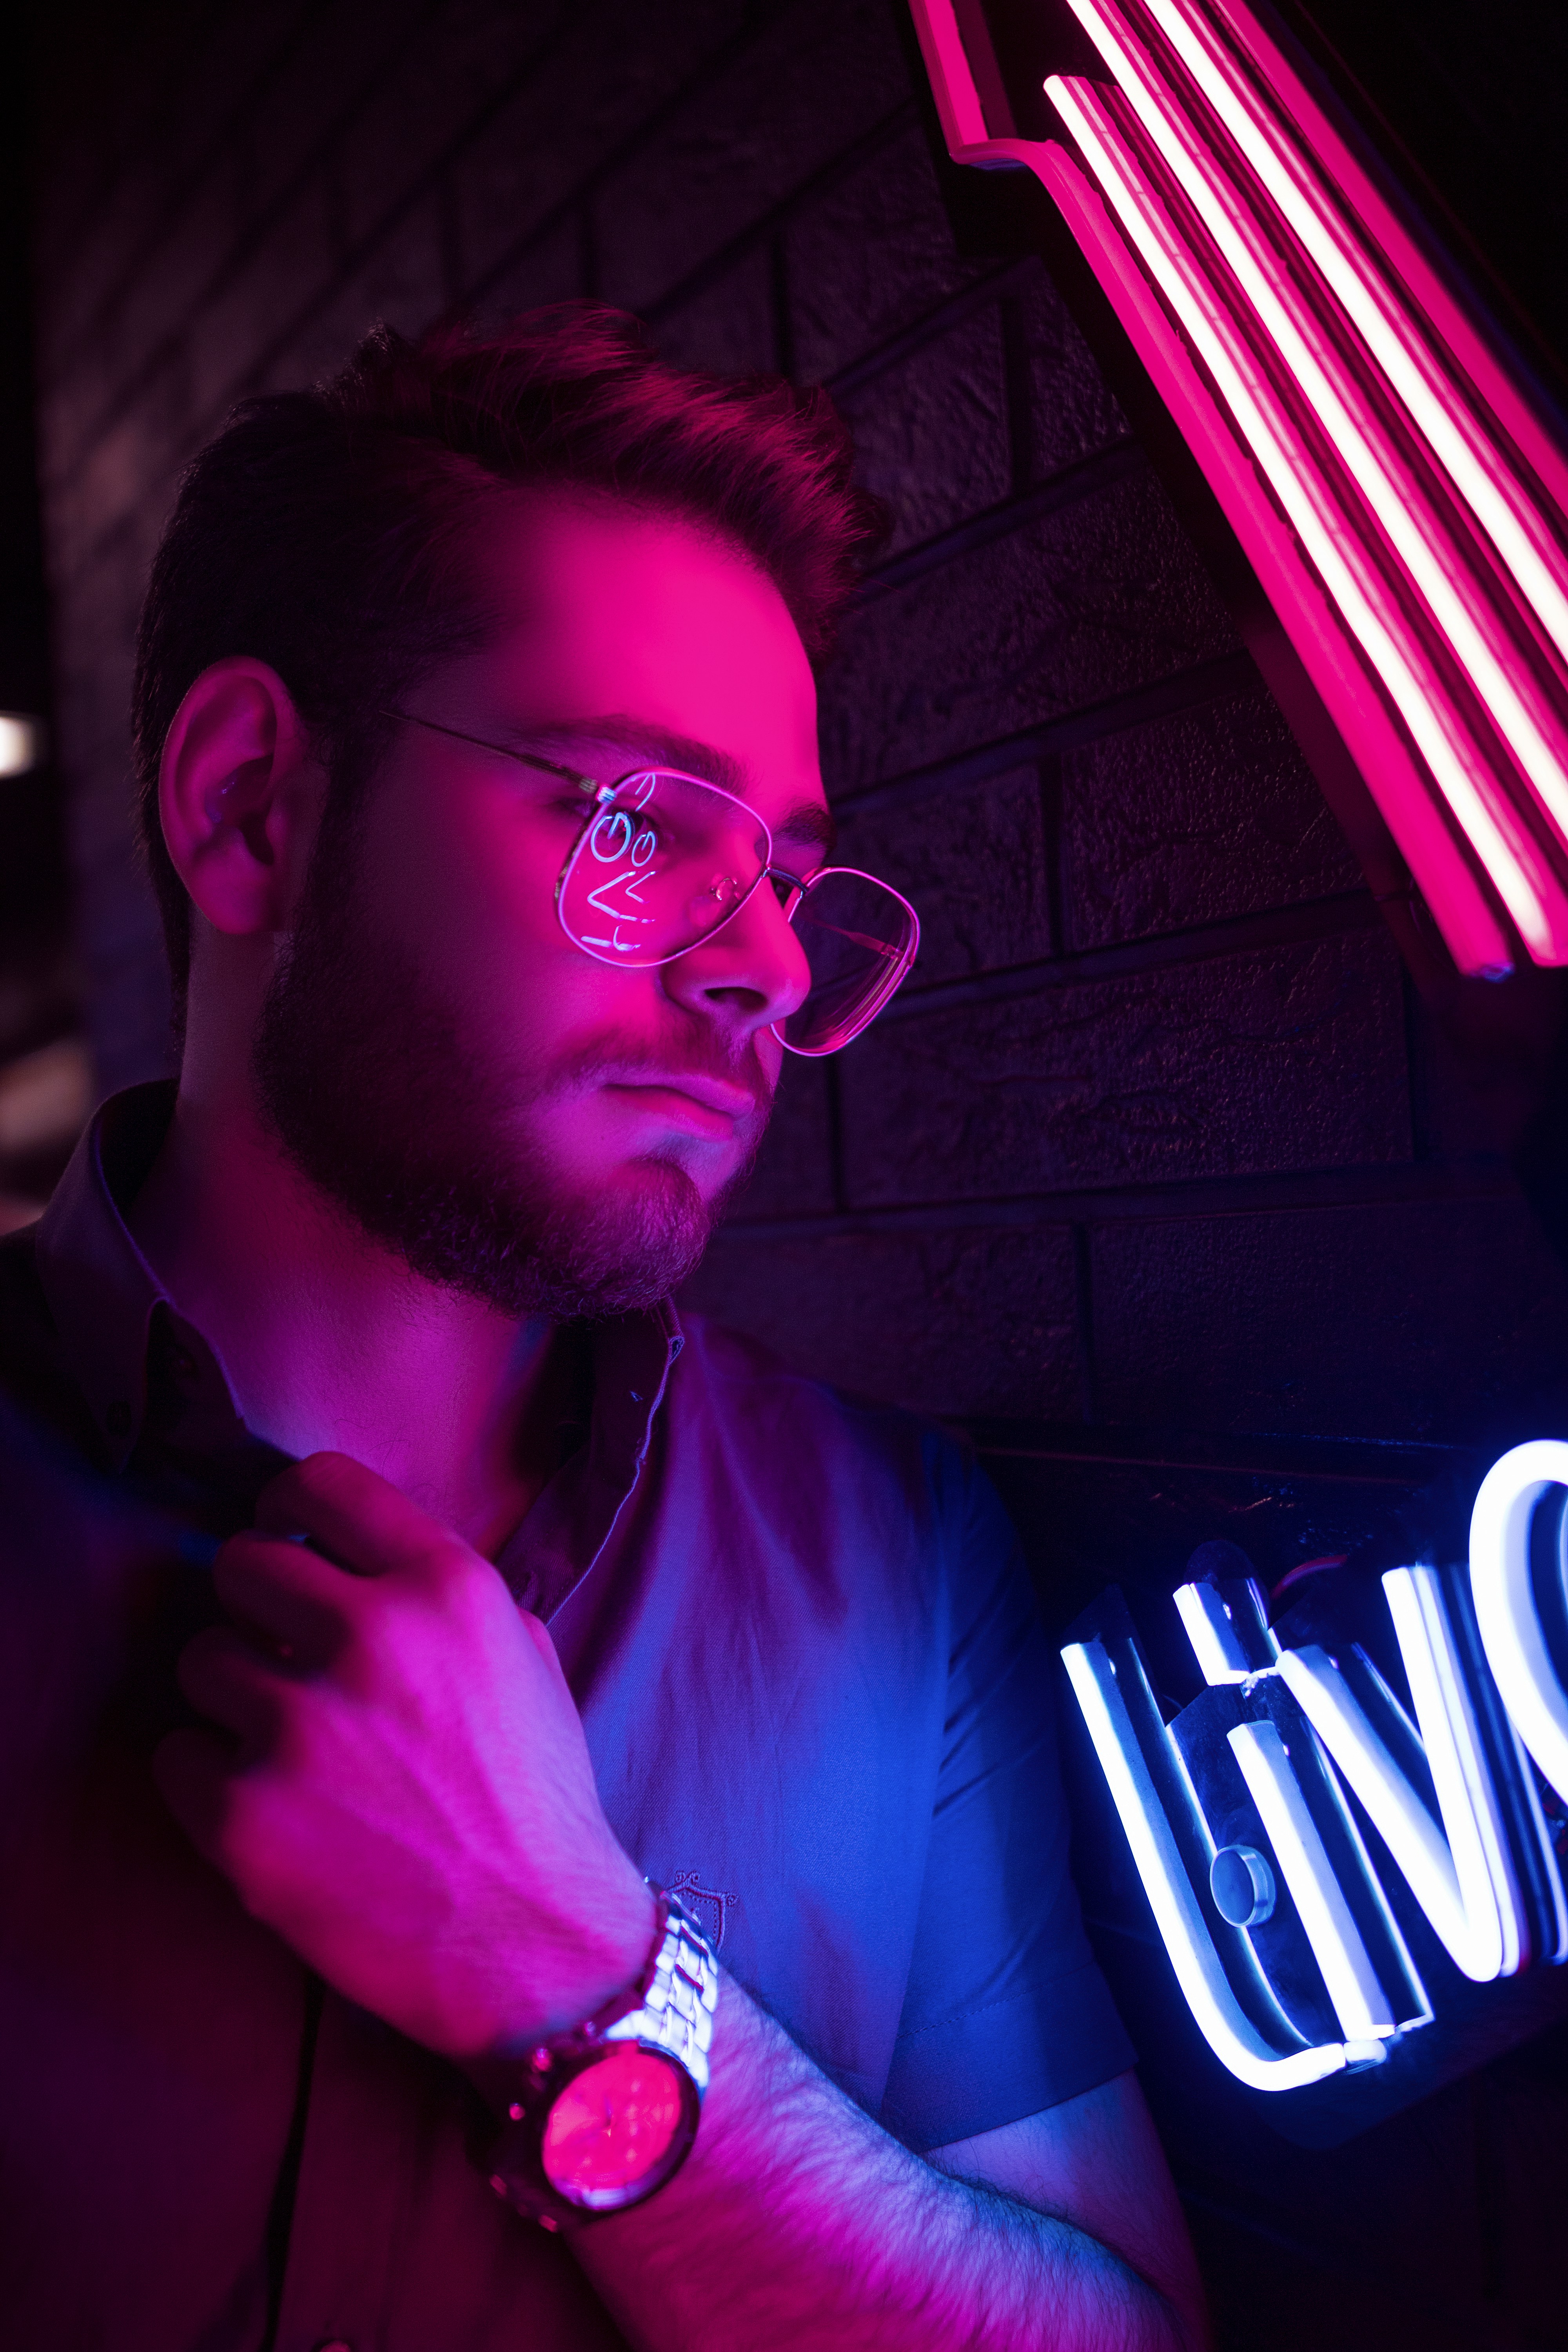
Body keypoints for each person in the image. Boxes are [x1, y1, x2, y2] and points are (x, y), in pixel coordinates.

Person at [0, 307, 1208, 2350]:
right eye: (643, 823)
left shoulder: (891, 1566)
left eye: (792, 876)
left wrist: (574, 1980)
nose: (756, 965)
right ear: (251, 810)